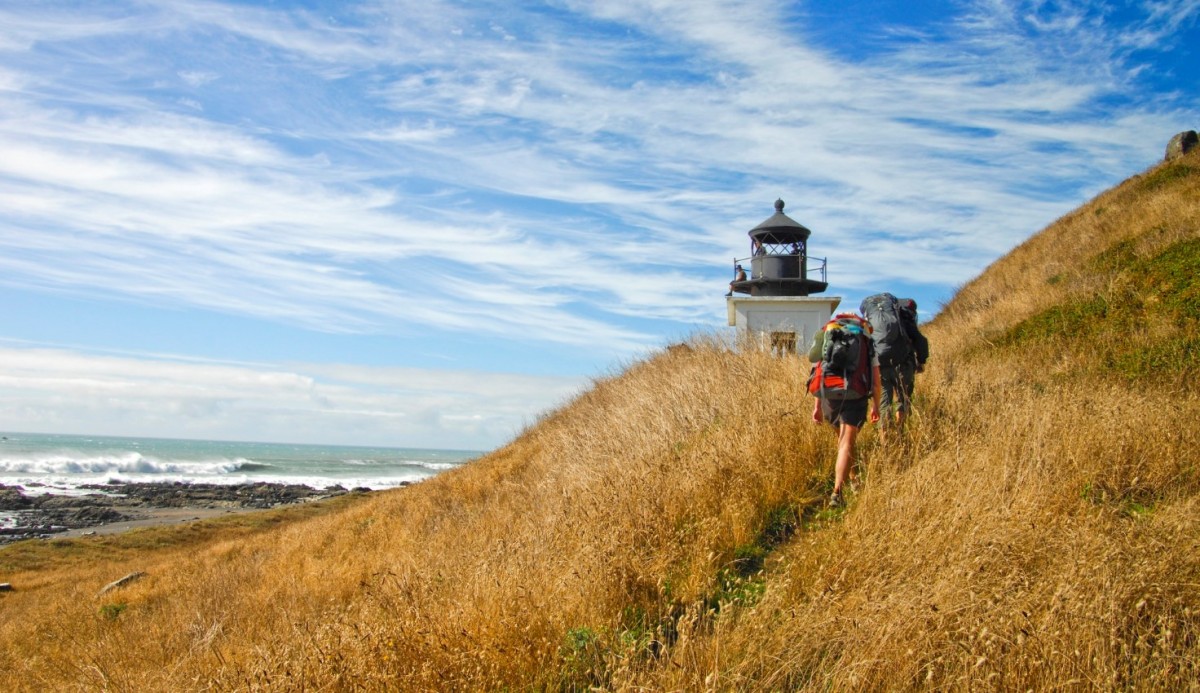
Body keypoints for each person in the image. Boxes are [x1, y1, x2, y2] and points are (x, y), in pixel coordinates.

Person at [808, 314, 882, 507]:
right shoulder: (866, 340)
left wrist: (816, 407)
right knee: (846, 443)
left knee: (842, 441)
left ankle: (854, 478)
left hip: (828, 394)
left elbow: (819, 369)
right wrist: (876, 405)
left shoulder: (829, 335)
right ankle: (837, 492)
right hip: (855, 394)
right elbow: (876, 381)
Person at [878, 298, 929, 437]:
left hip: (882, 366)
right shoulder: (906, 319)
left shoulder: (883, 321)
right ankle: (900, 434)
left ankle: (885, 440)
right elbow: (921, 341)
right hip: (903, 366)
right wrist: (921, 361)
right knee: (903, 399)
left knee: (884, 403)